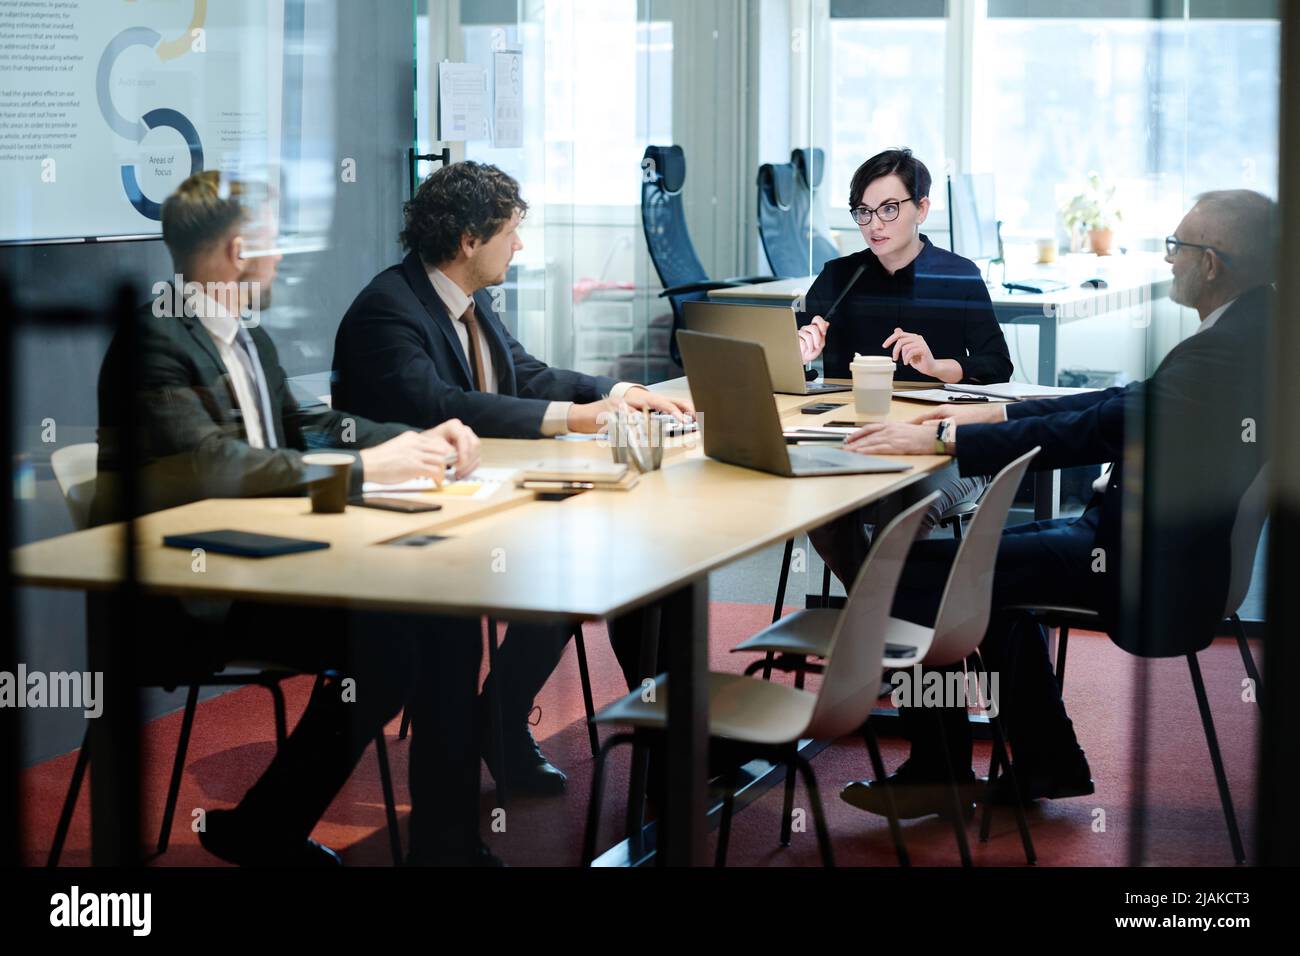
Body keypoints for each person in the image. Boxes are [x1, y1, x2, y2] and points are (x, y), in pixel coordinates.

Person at [92, 170, 495, 865]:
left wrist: (404, 441)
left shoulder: (242, 333)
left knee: (442, 614)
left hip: (262, 560)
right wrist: (368, 471)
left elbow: (304, 422)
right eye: (277, 242)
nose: (285, 258)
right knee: (393, 638)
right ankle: (271, 828)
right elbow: (216, 466)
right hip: (190, 591)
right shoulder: (154, 342)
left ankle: (441, 837)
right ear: (238, 249)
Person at [832, 189, 1275, 818]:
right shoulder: (1252, 327)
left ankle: (941, 769)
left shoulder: (1225, 350)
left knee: (911, 571)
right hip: (1159, 543)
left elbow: (1098, 428)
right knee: (982, 570)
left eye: (1178, 247)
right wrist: (994, 410)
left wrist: (948, 436)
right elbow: (1123, 404)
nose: (1168, 259)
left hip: (1148, 562)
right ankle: (1046, 761)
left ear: (1212, 264)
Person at [331, 161, 694, 795]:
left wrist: (617, 391)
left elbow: (523, 375)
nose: (520, 245)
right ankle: (498, 725)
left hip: (488, 500)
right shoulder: (386, 312)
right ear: (470, 240)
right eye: (511, 232)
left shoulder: (473, 300)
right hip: (414, 529)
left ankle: (511, 721)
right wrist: (580, 417)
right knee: (576, 563)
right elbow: (444, 406)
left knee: (613, 557)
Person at [795, 148, 1013, 583]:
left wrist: (937, 366)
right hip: (857, 439)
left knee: (903, 506)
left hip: (943, 442)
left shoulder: (958, 275)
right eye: (864, 212)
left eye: (889, 209)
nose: (875, 224)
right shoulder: (840, 277)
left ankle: (879, 620)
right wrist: (801, 353)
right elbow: (790, 361)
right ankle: (888, 619)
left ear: (922, 209)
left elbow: (996, 365)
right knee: (818, 502)